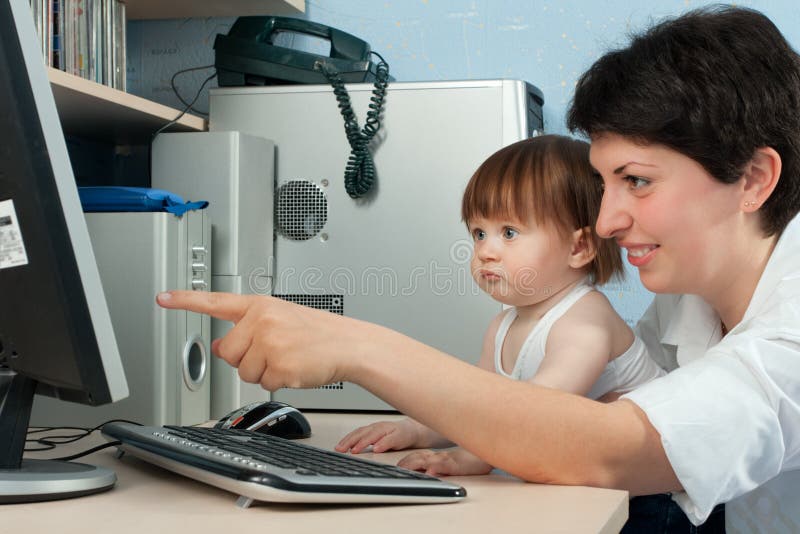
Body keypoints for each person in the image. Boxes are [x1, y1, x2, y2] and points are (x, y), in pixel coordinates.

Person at [156, 6, 800, 532]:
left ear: (753, 179)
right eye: (605, 185)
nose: (605, 224)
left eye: (637, 181)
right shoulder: (690, 300)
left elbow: (607, 446)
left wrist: (355, 346)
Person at [334, 135, 665, 475]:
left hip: (656, 499)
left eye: (508, 232)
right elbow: (479, 405)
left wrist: (471, 456)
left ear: (578, 248)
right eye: (479, 233)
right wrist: (418, 429)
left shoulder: (585, 321)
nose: (485, 251)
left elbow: (542, 412)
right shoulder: (503, 326)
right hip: (601, 479)